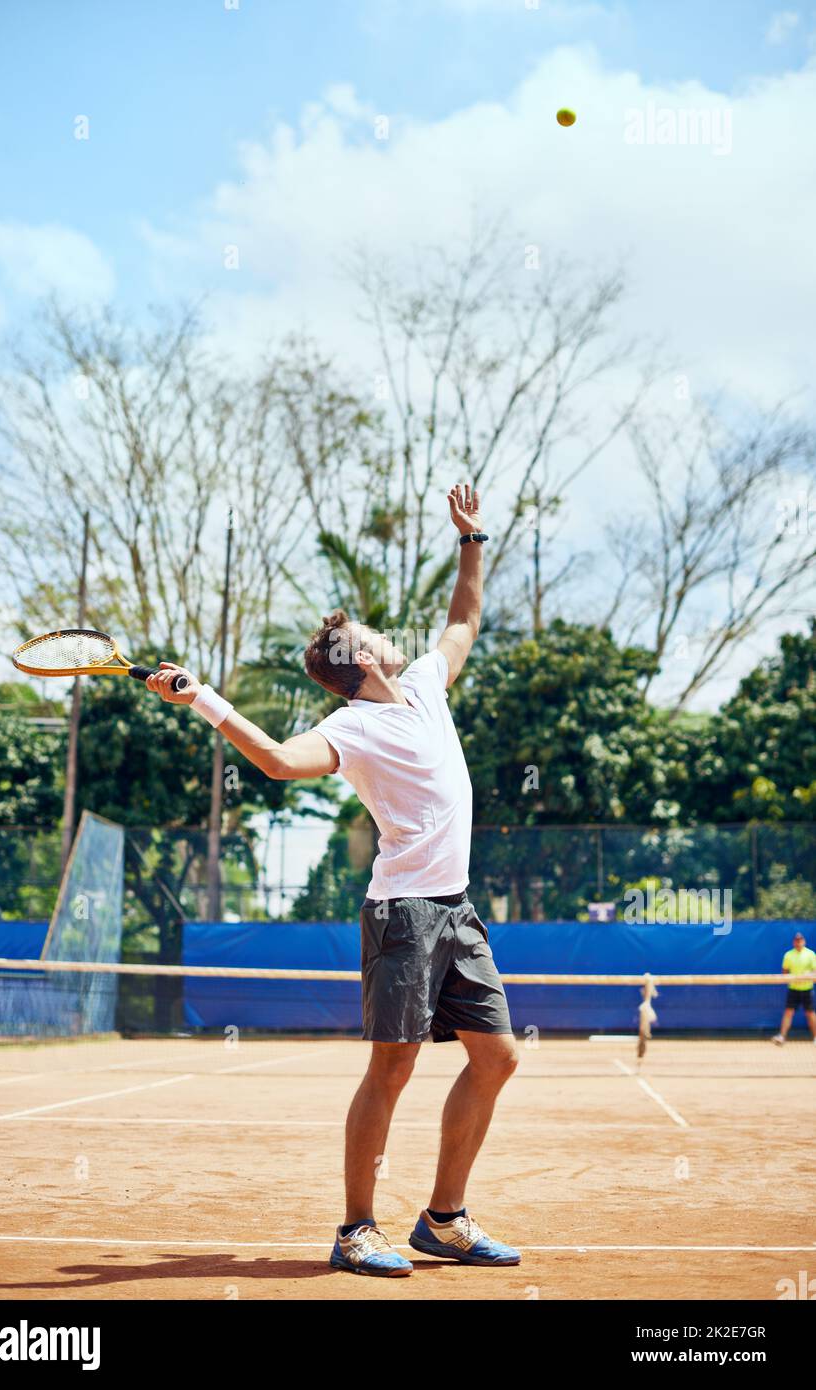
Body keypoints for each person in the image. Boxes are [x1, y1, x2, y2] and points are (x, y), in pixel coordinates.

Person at [147, 484, 520, 1278]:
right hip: (403, 916)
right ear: (356, 658)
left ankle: (443, 1220)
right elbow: (280, 763)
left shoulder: (423, 683)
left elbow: (464, 620)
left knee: (496, 1057)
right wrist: (204, 699)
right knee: (392, 1066)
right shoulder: (349, 726)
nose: (385, 632)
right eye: (366, 631)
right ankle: (356, 1229)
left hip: (455, 912)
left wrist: (473, 537)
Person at [771, 930, 816, 1045]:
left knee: (810, 1013)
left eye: (800, 940)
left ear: (804, 941)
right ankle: (782, 1037)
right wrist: (791, 977)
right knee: (788, 1012)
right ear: (793, 942)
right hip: (793, 989)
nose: (798, 942)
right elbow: (784, 973)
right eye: (796, 940)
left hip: (807, 989)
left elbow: (815, 972)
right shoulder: (788, 955)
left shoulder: (811, 954)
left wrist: (808, 976)